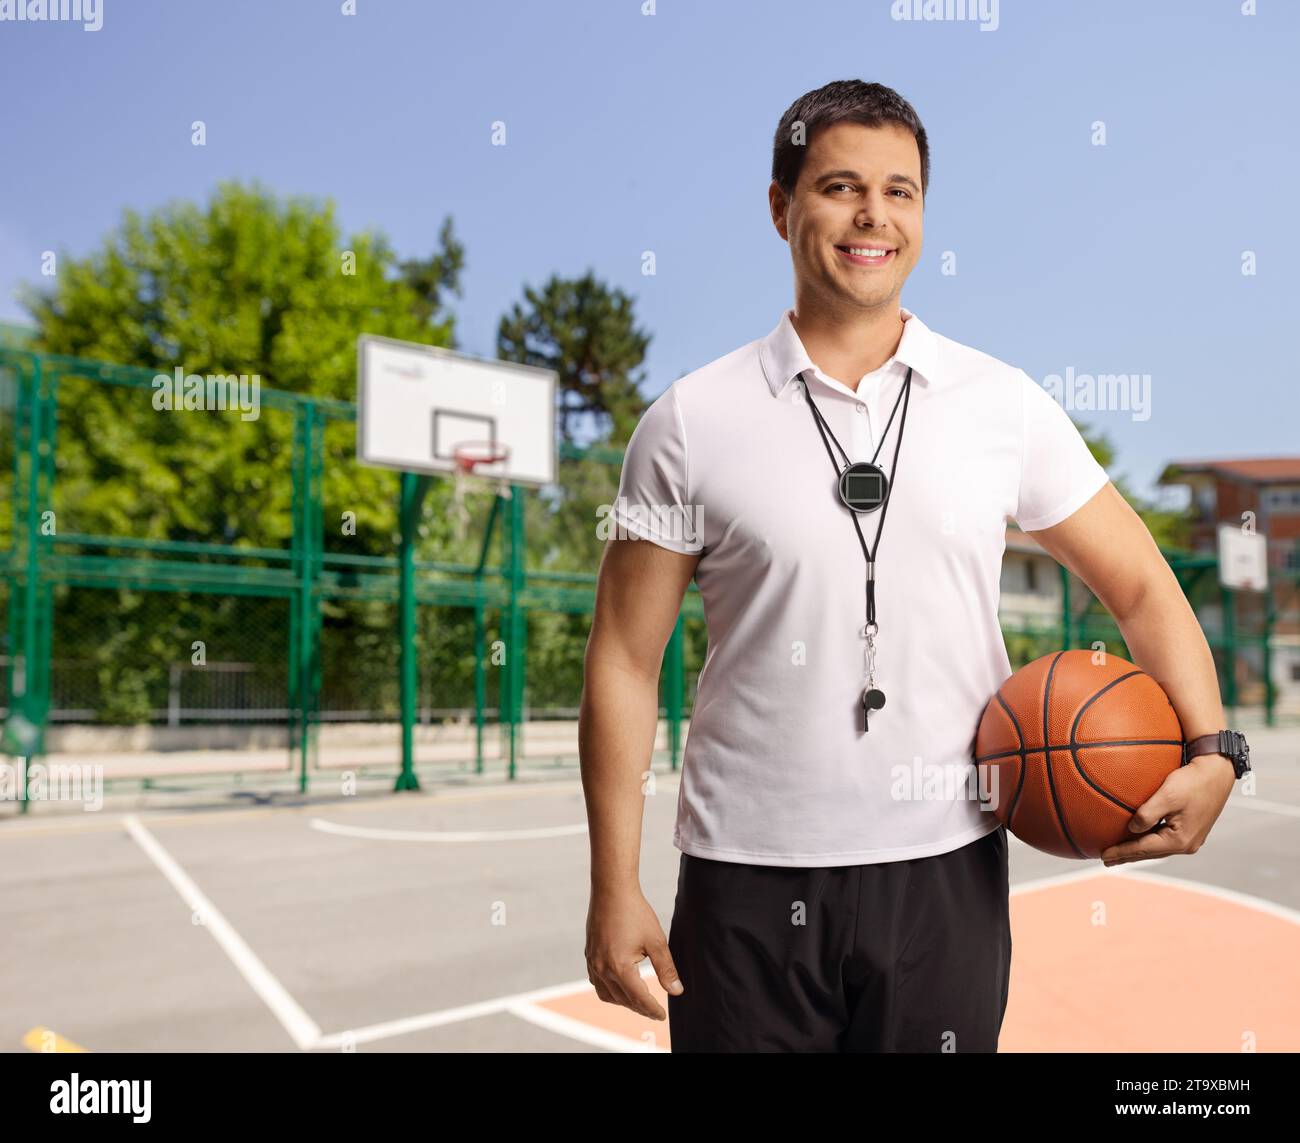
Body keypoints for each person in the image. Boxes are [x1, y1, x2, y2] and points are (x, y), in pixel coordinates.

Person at [579, 79, 1240, 1053]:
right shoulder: (690, 419)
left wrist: (1216, 750)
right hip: (742, 882)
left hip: (944, 872)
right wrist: (611, 884)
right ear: (780, 207)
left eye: (900, 191)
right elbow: (625, 661)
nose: (871, 216)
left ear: (923, 212)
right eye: (839, 186)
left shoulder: (998, 403)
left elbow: (1140, 584)